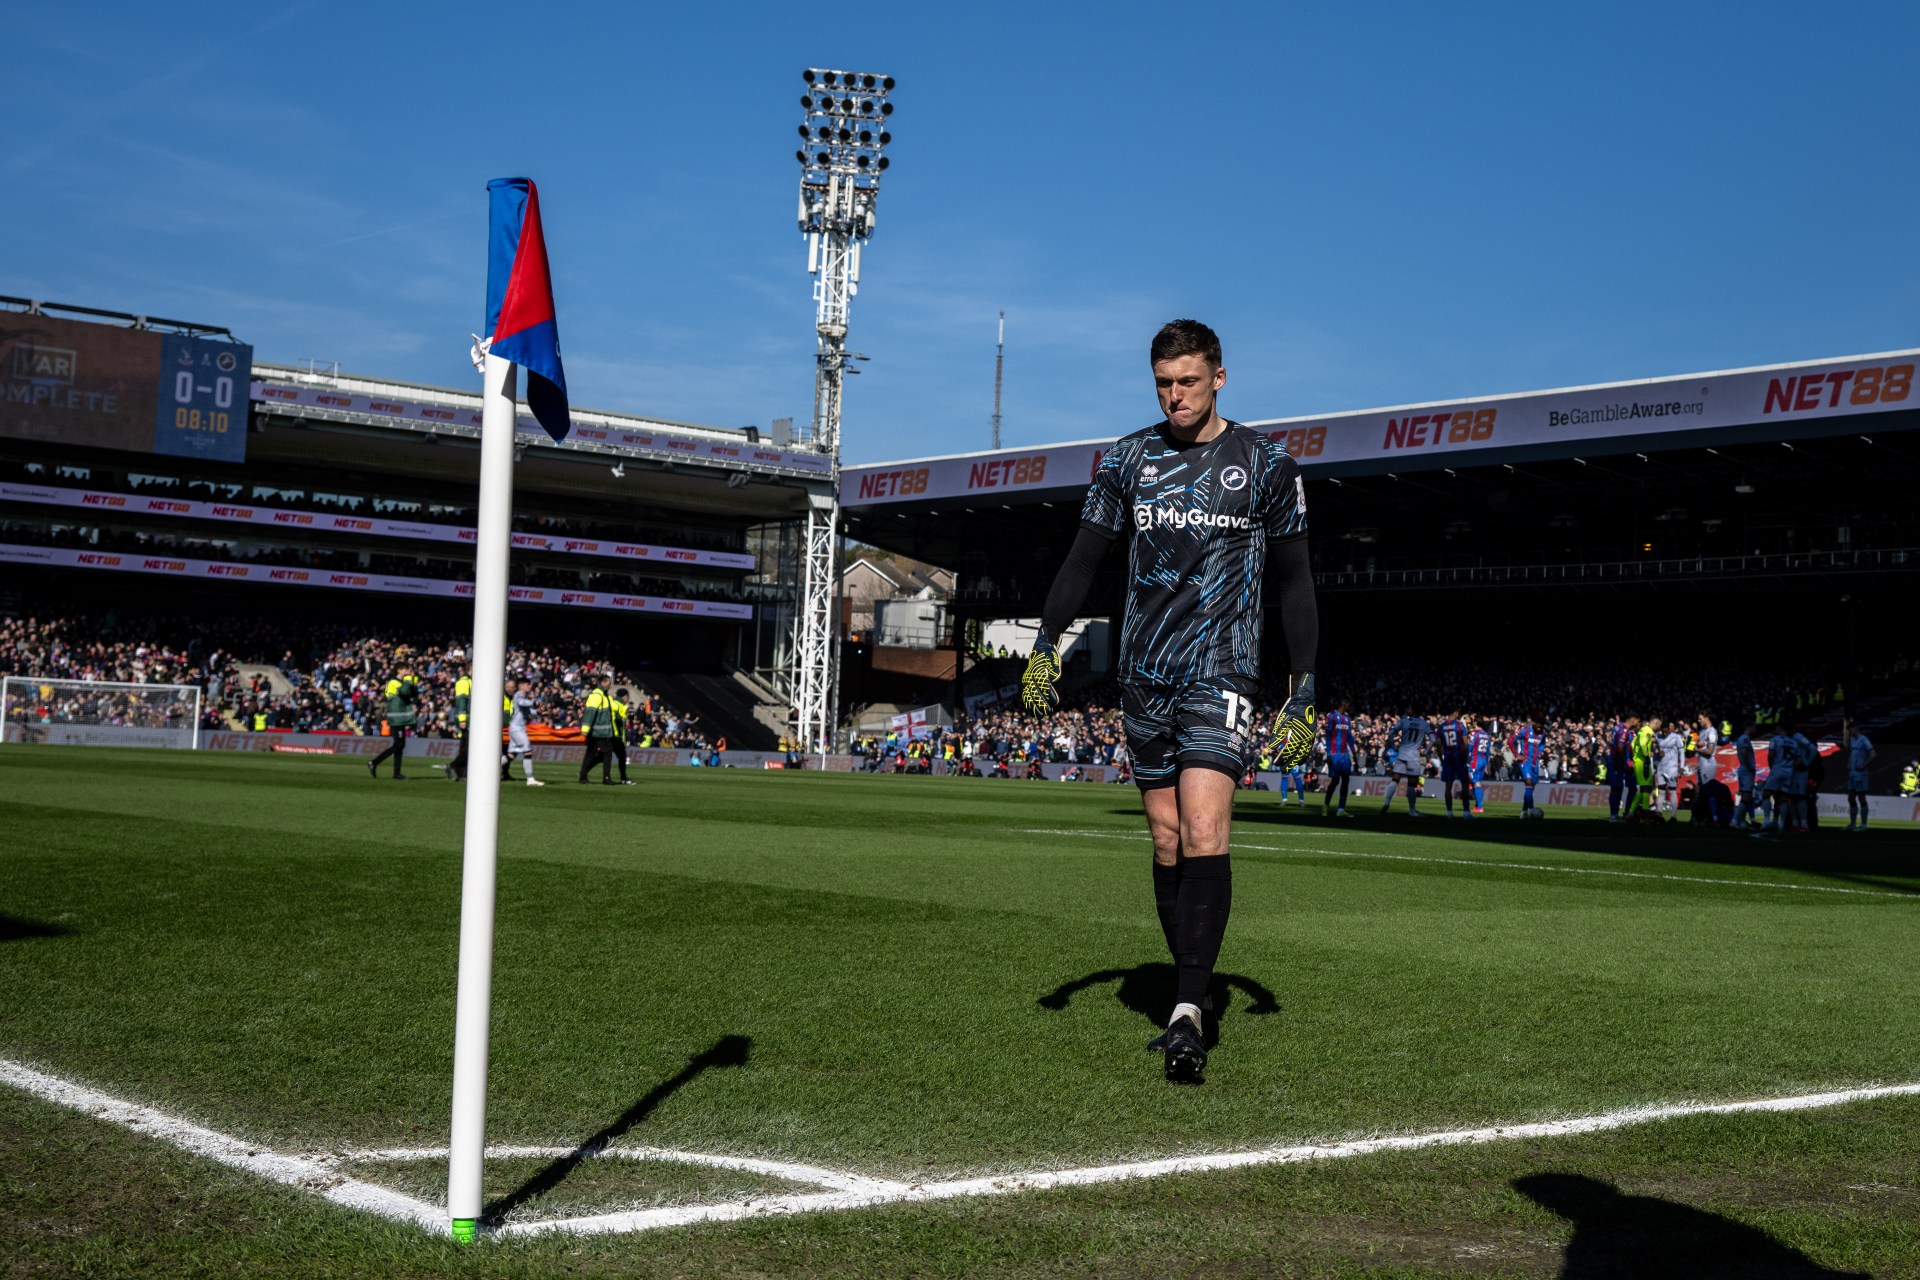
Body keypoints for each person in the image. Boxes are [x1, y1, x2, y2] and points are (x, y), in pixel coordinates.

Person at [1023, 318, 1317, 1086]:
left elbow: (1295, 581)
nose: (1175, 395)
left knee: (1204, 826)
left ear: (1219, 376)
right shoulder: (1127, 460)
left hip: (1223, 671)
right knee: (1165, 839)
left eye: (1188, 381)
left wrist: (1304, 686)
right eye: (1163, 383)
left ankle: (1187, 1011)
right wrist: (1047, 641)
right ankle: (1195, 984)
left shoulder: (1267, 465)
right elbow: (1083, 557)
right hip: (1143, 674)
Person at [367, 665, 418, 780]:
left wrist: (413, 680)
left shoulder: (402, 682)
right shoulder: (394, 682)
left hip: (401, 717)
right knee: (398, 744)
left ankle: (396, 773)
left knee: (400, 744)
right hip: (396, 717)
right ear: (399, 670)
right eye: (406, 669)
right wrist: (408, 679)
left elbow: (414, 694)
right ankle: (374, 762)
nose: (408, 671)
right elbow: (404, 692)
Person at [1381, 713, 1430, 815]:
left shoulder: (1404, 721)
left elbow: (1391, 733)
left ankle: (1386, 803)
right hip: (1414, 756)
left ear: (1411, 710)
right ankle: (1412, 810)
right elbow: (1433, 739)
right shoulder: (1424, 724)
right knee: (1411, 784)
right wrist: (1426, 751)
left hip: (1402, 753)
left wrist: (1392, 744)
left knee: (1395, 779)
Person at [503, 678, 543, 786]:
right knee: (528, 752)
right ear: (522, 686)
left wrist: (538, 712)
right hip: (517, 729)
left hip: (517, 728)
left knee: (511, 755)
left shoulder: (523, 696)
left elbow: (529, 712)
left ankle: (488, 769)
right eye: (528, 685)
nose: (530, 687)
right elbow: (521, 702)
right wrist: (533, 702)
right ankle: (530, 779)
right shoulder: (519, 694)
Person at [578, 674, 617, 784]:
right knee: (607, 751)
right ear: (603, 683)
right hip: (598, 731)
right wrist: (585, 730)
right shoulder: (597, 695)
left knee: (590, 753)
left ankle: (583, 777)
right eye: (608, 682)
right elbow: (590, 713)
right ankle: (606, 778)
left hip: (597, 731)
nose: (610, 685)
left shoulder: (603, 695)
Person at [1321, 697, 1354, 818]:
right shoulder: (1331, 716)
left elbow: (1349, 737)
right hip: (1334, 754)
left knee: (1346, 780)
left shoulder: (1347, 718)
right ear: (1343, 704)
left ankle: (1341, 809)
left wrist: (1353, 753)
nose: (1350, 707)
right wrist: (1328, 754)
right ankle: (1325, 806)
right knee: (1335, 781)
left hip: (1344, 754)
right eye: (1348, 704)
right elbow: (1328, 736)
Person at [1436, 711, 1471, 818]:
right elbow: (1465, 744)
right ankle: (1466, 813)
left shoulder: (1441, 727)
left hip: (1448, 758)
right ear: (1455, 713)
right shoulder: (1460, 726)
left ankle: (1449, 813)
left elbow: (1438, 745)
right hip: (1459, 757)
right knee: (1465, 785)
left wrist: (1441, 758)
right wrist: (1466, 758)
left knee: (1448, 786)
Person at [1508, 715, 1544, 817]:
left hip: (1535, 763)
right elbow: (1511, 741)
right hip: (1525, 761)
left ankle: (1524, 811)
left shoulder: (1542, 733)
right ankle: (1532, 810)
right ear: (1534, 723)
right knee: (1528, 782)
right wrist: (1516, 755)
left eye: (1541, 726)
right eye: (1538, 725)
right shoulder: (1525, 730)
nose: (1539, 728)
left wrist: (1539, 752)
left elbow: (1543, 744)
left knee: (1531, 787)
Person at [1606, 714, 1637, 822]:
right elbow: (1620, 747)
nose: (1637, 723)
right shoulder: (1624, 730)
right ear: (1632, 720)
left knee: (1623, 788)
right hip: (1617, 763)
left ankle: (1618, 814)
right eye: (1637, 721)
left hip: (1618, 762)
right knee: (1616, 788)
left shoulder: (1618, 728)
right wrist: (1625, 762)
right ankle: (1614, 816)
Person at [446, 665, 472, 782]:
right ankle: (453, 766)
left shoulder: (470, 681)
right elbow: (461, 701)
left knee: (466, 748)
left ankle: (461, 773)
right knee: (468, 748)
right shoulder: (463, 682)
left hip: (470, 719)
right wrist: (462, 719)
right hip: (467, 720)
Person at [1733, 723, 1761, 827]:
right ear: (1749, 727)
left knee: (1746, 797)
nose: (1755, 730)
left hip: (1743, 769)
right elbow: (1744, 752)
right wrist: (1749, 765)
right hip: (1746, 770)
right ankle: (1734, 821)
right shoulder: (1745, 739)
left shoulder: (1741, 739)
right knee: (1746, 797)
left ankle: (1741, 821)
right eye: (1754, 728)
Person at [1656, 719, 1685, 815]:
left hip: (1672, 768)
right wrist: (1657, 753)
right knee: (1661, 792)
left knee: (1672, 791)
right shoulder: (1658, 737)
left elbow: (1681, 752)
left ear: (1669, 729)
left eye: (1666, 731)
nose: (1664, 733)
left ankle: (1673, 816)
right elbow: (1655, 751)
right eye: (1663, 731)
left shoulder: (1676, 737)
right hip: (1661, 768)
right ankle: (1659, 813)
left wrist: (1681, 767)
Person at [608, 686, 635, 784]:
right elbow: (613, 721)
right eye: (628, 696)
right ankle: (623, 778)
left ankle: (623, 778)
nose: (629, 698)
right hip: (614, 736)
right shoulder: (616, 705)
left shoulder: (621, 706)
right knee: (621, 757)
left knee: (621, 756)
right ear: (624, 696)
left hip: (617, 736)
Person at [1468, 721, 1492, 814]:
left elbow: (1470, 747)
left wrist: (1465, 758)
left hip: (1475, 760)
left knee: (1476, 783)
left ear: (1475, 723)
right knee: (1475, 782)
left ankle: (1480, 807)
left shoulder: (1475, 733)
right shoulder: (1486, 735)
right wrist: (1486, 765)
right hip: (1483, 760)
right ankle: (1477, 805)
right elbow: (1488, 751)